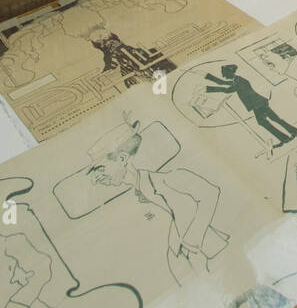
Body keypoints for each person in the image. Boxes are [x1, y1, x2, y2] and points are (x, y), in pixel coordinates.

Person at [87, 119, 229, 282]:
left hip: (211, 259)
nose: (97, 178)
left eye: (101, 169)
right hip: (184, 269)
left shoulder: (167, 179)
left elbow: (210, 192)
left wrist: (192, 239)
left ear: (122, 159)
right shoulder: (141, 197)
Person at [204, 65, 297, 146]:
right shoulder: (237, 79)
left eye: (224, 74)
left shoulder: (239, 82)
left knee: (267, 121)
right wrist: (208, 76)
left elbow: (227, 90)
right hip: (258, 104)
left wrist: (207, 89)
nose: (224, 76)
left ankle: (286, 137)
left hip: (258, 104)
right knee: (272, 120)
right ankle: (291, 134)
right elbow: (223, 83)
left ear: (230, 73)